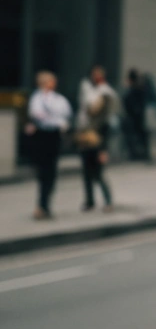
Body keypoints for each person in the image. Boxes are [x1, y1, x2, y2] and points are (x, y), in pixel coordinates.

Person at [25, 71, 72, 220]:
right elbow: (37, 114)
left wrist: (55, 120)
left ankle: (45, 204)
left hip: (54, 136)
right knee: (43, 171)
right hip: (42, 136)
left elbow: (66, 113)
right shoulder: (37, 98)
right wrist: (55, 120)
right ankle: (42, 205)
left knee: (51, 171)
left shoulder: (58, 99)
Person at [76, 69, 116, 210]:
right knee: (87, 174)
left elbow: (105, 131)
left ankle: (108, 201)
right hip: (86, 142)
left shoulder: (103, 120)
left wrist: (104, 150)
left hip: (98, 144)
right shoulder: (86, 117)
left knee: (98, 174)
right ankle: (89, 201)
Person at [121, 69, 155, 161]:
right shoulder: (136, 87)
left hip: (137, 116)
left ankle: (141, 154)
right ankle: (140, 154)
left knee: (139, 136)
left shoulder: (137, 87)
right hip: (137, 116)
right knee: (139, 136)